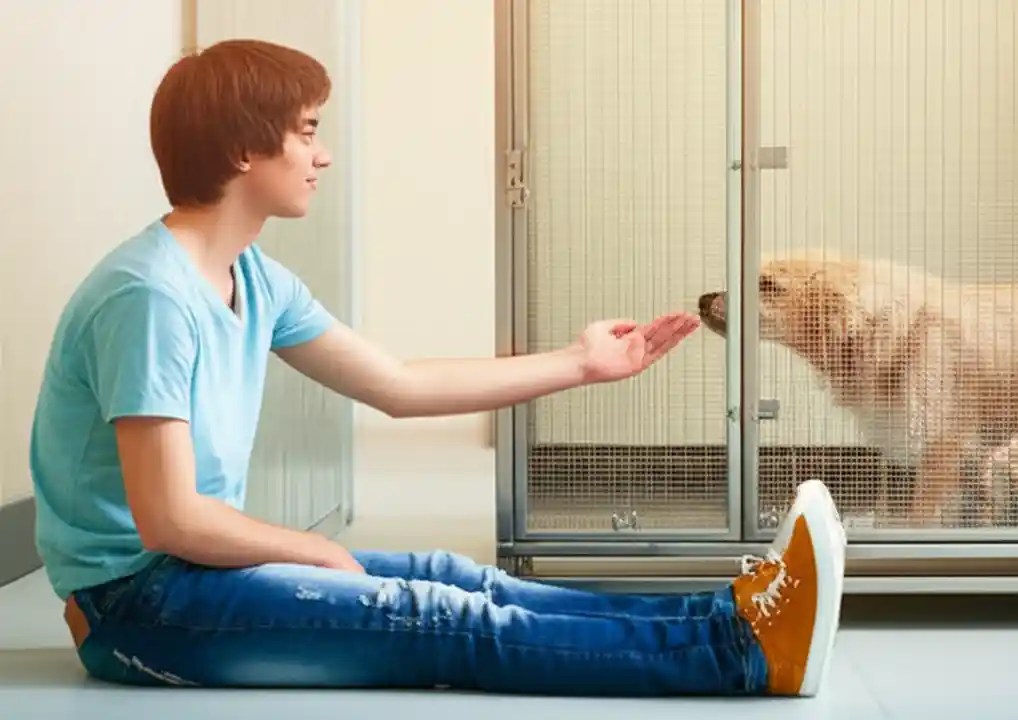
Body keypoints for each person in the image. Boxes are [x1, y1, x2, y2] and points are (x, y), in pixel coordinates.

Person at [28, 38, 847, 697]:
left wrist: (579, 363)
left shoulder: (254, 278)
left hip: (192, 575)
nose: (324, 154)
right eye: (308, 131)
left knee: (450, 577)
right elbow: (170, 519)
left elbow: (401, 385)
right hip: (138, 608)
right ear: (245, 148)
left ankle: (728, 620)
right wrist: (310, 552)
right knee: (434, 616)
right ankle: (739, 656)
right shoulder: (149, 297)